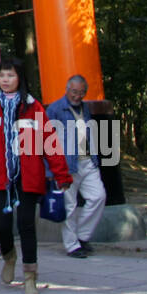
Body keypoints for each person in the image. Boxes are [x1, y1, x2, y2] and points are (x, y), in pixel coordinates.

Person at [0, 57, 71, 294]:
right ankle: (9, 255)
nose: (6, 80)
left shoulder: (33, 107)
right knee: (1, 225)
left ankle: (30, 276)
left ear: (20, 78)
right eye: (2, 75)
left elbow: (49, 142)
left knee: (26, 226)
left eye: (11, 75)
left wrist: (61, 174)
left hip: (27, 176)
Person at [46, 74, 107, 258]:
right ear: (67, 90)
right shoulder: (55, 109)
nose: (77, 96)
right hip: (66, 164)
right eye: (74, 91)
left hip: (87, 160)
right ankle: (72, 245)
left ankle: (82, 236)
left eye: (81, 92)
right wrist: (50, 170)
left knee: (98, 196)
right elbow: (46, 139)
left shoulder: (85, 108)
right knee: (70, 205)